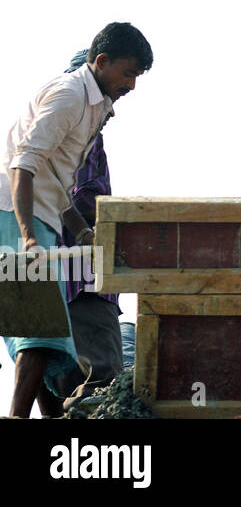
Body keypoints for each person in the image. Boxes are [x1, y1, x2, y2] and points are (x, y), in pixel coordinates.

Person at [1, 23, 152, 417]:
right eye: (129, 73)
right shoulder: (69, 94)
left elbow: (56, 181)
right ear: (101, 62)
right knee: (38, 334)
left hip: (42, 219)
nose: (132, 85)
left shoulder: (93, 109)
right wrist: (27, 236)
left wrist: (82, 230)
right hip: (14, 217)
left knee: (50, 341)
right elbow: (24, 163)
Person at [49, 49, 124, 409]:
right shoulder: (81, 139)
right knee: (102, 387)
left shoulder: (57, 136)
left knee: (63, 386)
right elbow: (84, 200)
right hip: (84, 281)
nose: (111, 110)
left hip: (61, 280)